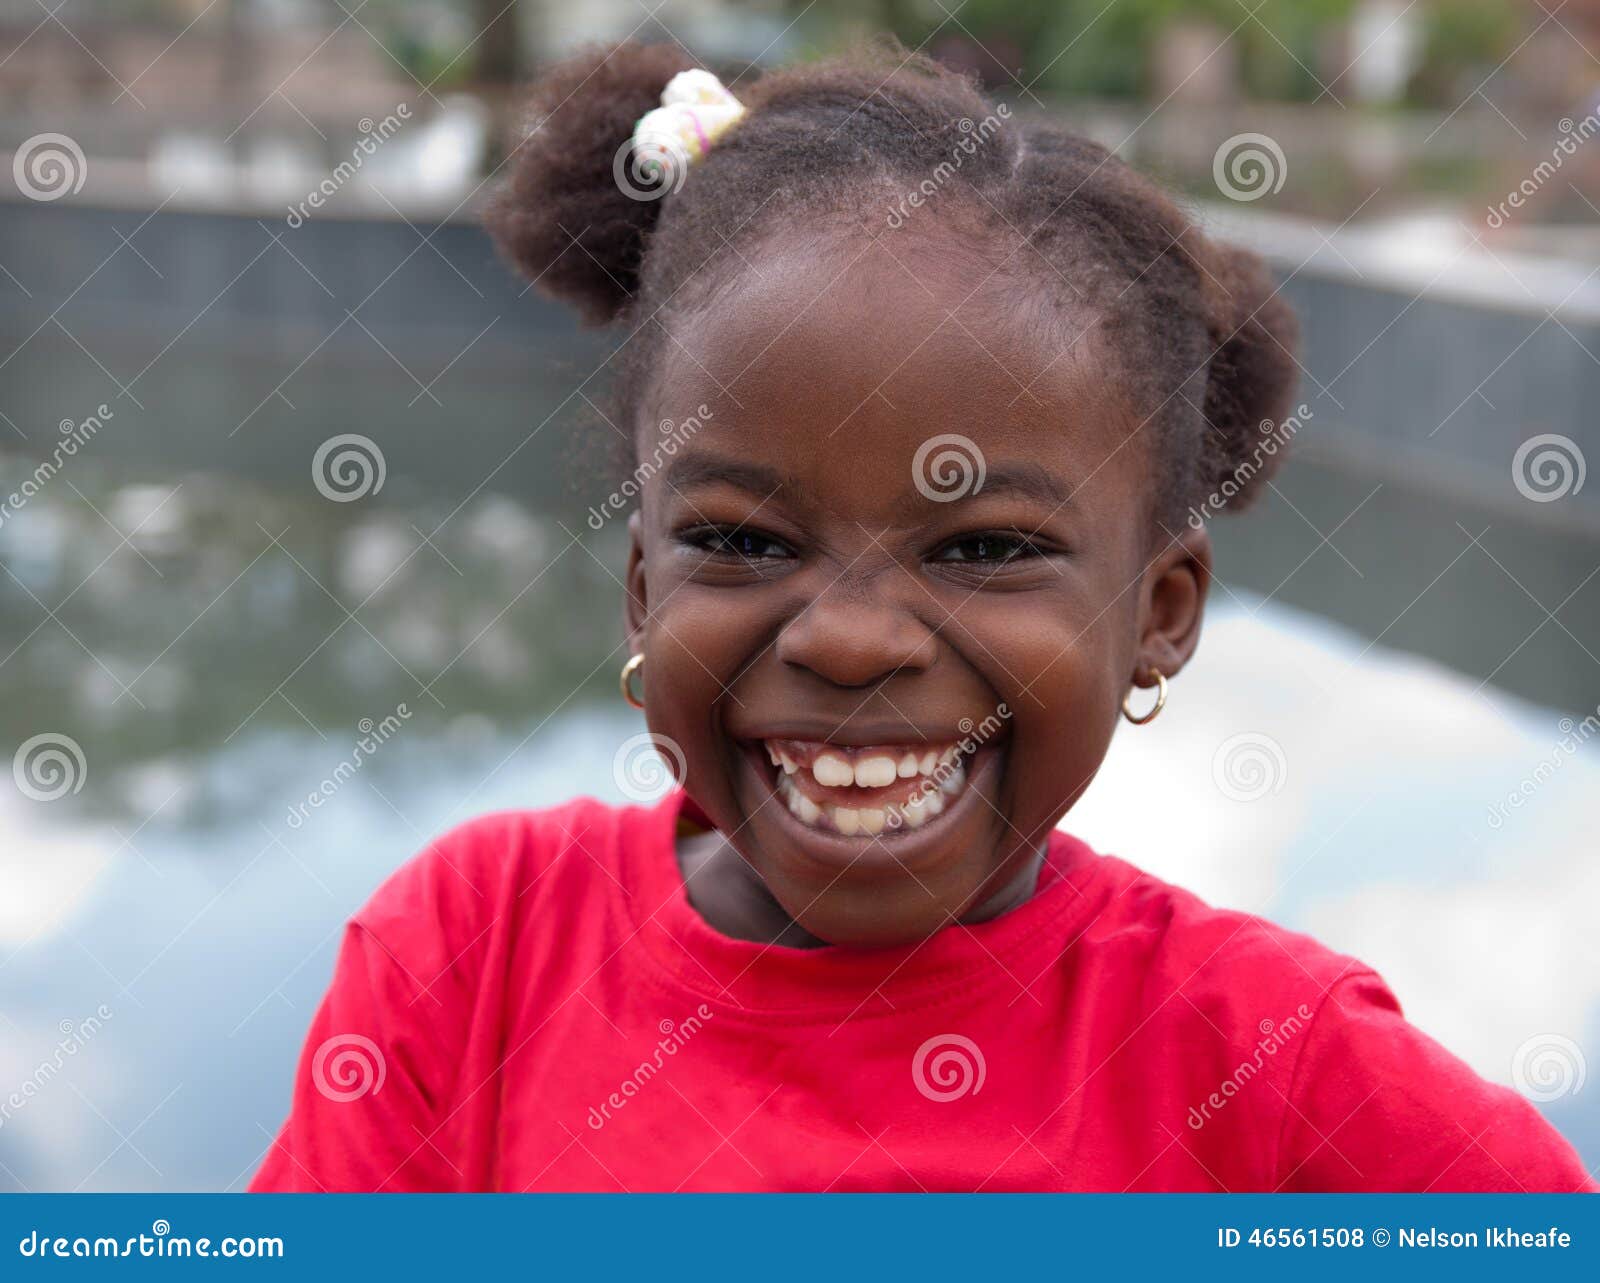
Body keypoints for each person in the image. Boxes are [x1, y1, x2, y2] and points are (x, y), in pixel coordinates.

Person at [251, 41, 1595, 1193]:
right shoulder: (478, 951)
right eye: (738, 539)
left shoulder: (1268, 1063)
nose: (849, 640)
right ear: (645, 590)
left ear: (1159, 614)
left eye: (988, 548)